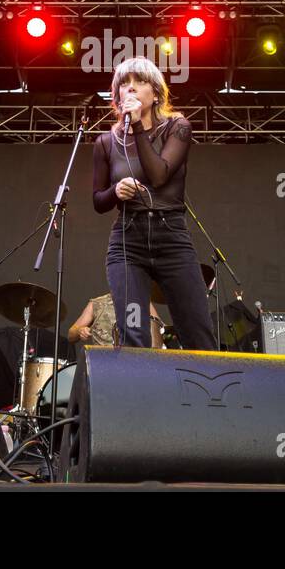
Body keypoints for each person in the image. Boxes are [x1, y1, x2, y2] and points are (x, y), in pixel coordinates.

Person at [92, 56, 215, 350]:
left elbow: (159, 175)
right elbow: (98, 201)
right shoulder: (106, 142)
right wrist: (115, 191)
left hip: (170, 236)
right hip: (127, 242)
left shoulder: (178, 127)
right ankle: (138, 395)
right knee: (134, 332)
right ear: (116, 94)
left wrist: (137, 128)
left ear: (156, 92)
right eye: (124, 84)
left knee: (197, 332)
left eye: (139, 82)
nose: (130, 90)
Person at [68, 292, 164, 348]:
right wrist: (80, 330)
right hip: (103, 363)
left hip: (136, 361)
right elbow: (71, 334)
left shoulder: (143, 301)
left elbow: (160, 331)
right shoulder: (97, 304)